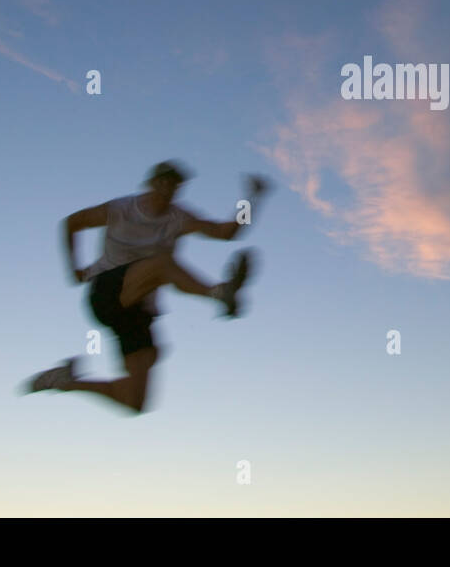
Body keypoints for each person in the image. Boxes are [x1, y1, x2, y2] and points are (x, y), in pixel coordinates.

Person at [22, 161, 270, 412]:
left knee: (134, 401)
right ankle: (219, 292)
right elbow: (72, 223)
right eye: (163, 181)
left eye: (174, 184)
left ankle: (65, 381)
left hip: (138, 314)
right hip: (106, 291)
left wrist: (252, 198)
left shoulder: (179, 218)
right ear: (150, 183)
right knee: (162, 265)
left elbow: (227, 232)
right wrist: (74, 268)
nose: (168, 188)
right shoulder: (121, 209)